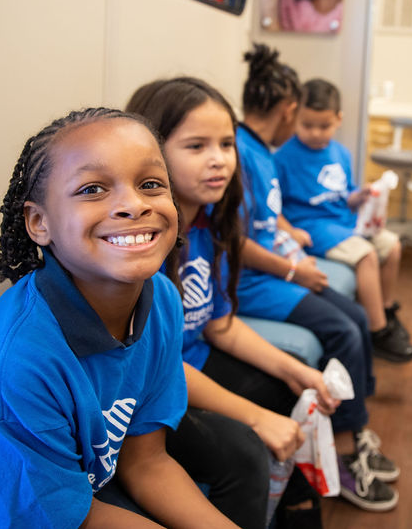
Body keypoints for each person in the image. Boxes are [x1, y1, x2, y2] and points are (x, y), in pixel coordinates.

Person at [0, 108, 238, 528]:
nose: (133, 204)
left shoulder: (162, 299)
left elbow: (145, 461)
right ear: (39, 223)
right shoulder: (16, 370)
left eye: (150, 184)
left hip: (66, 491)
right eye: (93, 189)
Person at [126, 77, 340, 528]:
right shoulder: (140, 243)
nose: (219, 159)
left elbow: (218, 325)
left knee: (291, 389)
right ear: (152, 152)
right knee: (243, 454)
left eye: (226, 144)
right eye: (197, 146)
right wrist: (257, 419)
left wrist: (298, 371)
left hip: (193, 365)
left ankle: (295, 512)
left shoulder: (208, 223)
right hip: (151, 387)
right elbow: (155, 365)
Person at [236, 43, 400, 512]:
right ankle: (348, 458)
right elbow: (238, 241)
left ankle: (358, 429)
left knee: (352, 315)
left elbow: (269, 225)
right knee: (344, 329)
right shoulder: (246, 155)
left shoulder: (261, 153)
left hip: (277, 272)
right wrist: (294, 270)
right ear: (290, 110)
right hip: (255, 284)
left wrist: (292, 253)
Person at [274, 78, 412, 362]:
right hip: (313, 227)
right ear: (294, 118)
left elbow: (345, 195)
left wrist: (361, 196)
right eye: (307, 125)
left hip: (344, 222)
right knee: (366, 256)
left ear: (339, 119)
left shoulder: (341, 153)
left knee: (392, 245)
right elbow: (272, 206)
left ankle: (386, 311)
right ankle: (378, 332)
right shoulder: (283, 157)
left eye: (324, 126)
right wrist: (291, 231)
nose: (315, 133)